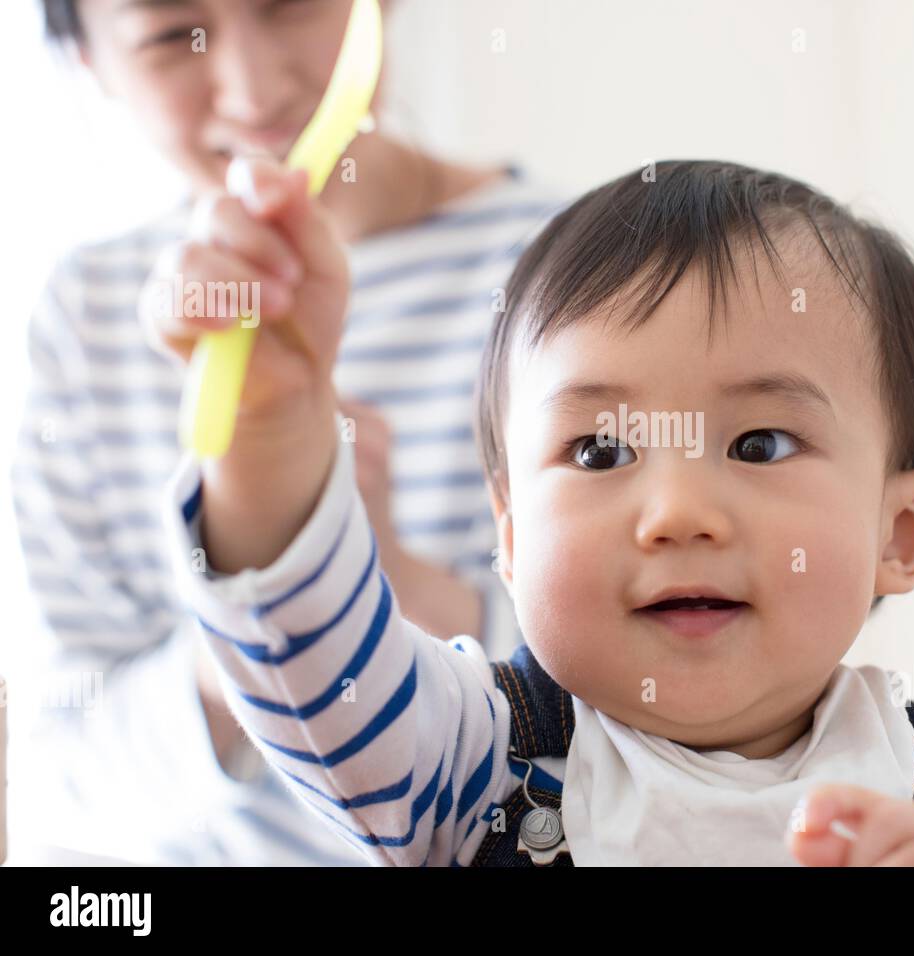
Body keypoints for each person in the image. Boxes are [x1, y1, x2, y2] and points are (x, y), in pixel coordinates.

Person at [151, 157, 914, 866]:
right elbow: (319, 671)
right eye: (600, 451)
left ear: (902, 532)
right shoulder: (475, 761)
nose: (677, 513)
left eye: (758, 444)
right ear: (509, 538)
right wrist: (268, 427)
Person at [13, 0, 559, 864]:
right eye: (168, 37)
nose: (254, 88)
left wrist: (390, 585)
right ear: (89, 65)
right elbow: (67, 784)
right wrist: (278, 576)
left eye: (291, 4)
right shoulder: (84, 316)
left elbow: (643, 731)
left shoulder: (564, 273)